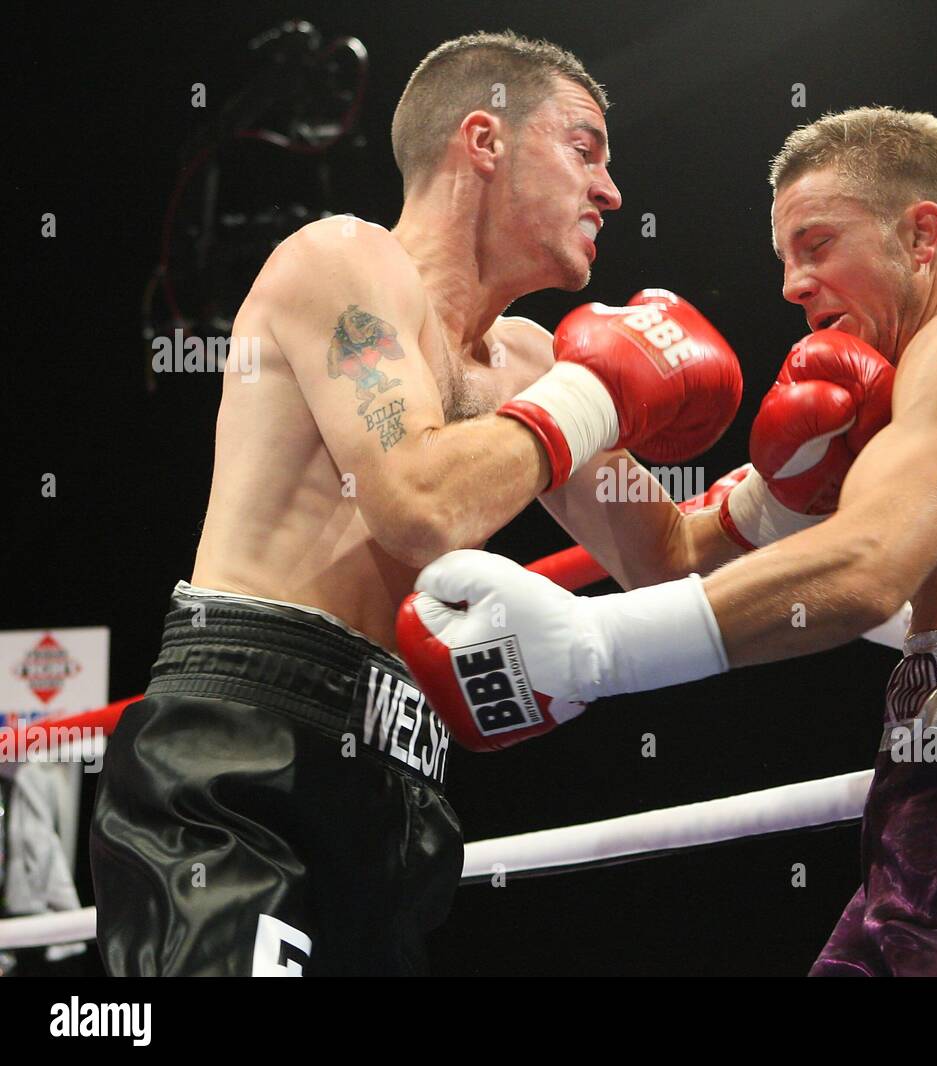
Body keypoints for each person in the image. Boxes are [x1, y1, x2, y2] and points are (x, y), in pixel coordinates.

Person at [401, 106, 937, 976]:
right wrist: (572, 397)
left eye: (815, 245)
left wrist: (596, 649)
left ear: (922, 235)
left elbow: (863, 571)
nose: (790, 285)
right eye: (784, 259)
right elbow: (675, 554)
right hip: (933, 813)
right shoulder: (883, 414)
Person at [89, 29, 808, 976]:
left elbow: (661, 556)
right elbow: (416, 502)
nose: (611, 191)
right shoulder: (342, 261)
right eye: (584, 148)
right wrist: (590, 399)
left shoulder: (533, 363)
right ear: (484, 140)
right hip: (241, 753)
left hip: (399, 784)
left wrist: (792, 483)